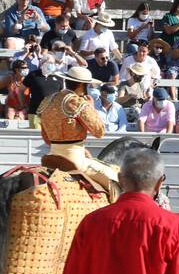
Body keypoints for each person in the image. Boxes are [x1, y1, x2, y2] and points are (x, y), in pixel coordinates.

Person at [37, 66, 119, 196]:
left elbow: (47, 139)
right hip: (75, 161)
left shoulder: (47, 100)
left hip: (51, 157)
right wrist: (91, 107)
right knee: (115, 179)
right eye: (87, 85)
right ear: (81, 85)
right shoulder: (77, 101)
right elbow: (99, 131)